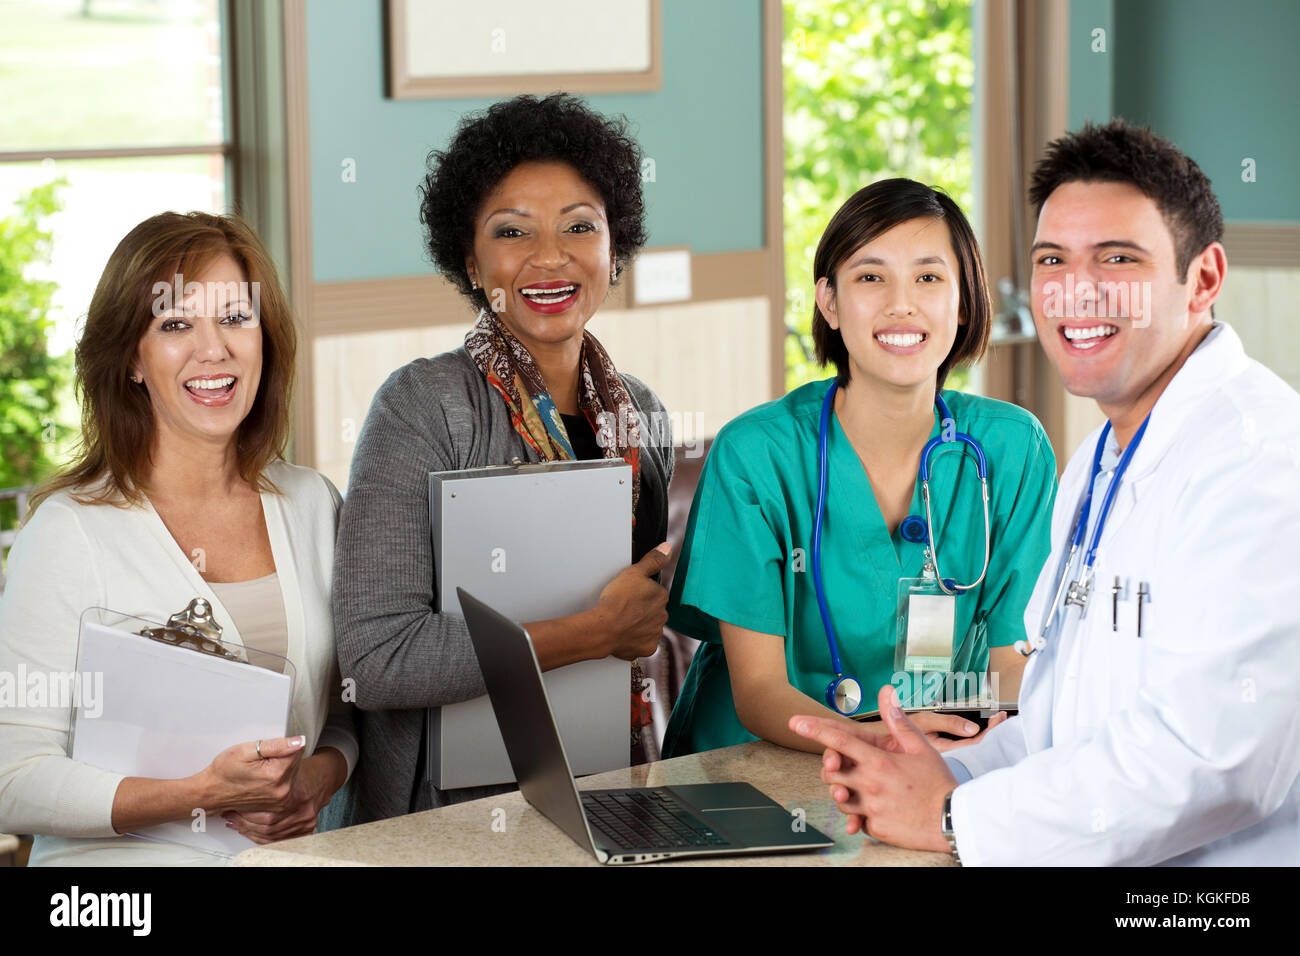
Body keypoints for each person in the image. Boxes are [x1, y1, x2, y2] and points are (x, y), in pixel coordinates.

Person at [792, 120, 1300, 866]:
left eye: (1117, 258)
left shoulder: (1261, 461)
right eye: (1052, 259)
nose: (1076, 290)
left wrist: (955, 819)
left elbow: (1219, 762)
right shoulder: (1101, 460)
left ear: (1205, 279)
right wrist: (938, 777)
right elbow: (1062, 725)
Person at [333, 93, 676, 823]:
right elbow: (378, 658)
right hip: (451, 812)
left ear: (616, 248)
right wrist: (592, 635)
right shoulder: (422, 407)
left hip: (609, 787)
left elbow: (649, 611)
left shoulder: (639, 415)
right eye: (513, 231)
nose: (550, 258)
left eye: (580, 227)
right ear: (470, 258)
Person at [0, 212, 357, 865]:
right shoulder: (67, 532)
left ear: (265, 340)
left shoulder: (311, 504)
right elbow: (12, 781)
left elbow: (344, 710)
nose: (212, 349)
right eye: (174, 325)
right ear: (131, 359)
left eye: (235, 318)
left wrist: (318, 776)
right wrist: (196, 793)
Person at [662, 179, 1058, 758]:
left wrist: (983, 760)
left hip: (930, 763)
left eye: (928, 277)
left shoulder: (1012, 448)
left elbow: (1012, 666)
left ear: (963, 301)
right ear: (829, 302)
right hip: (751, 769)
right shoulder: (756, 453)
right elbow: (758, 690)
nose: (902, 303)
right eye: (871, 277)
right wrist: (883, 742)